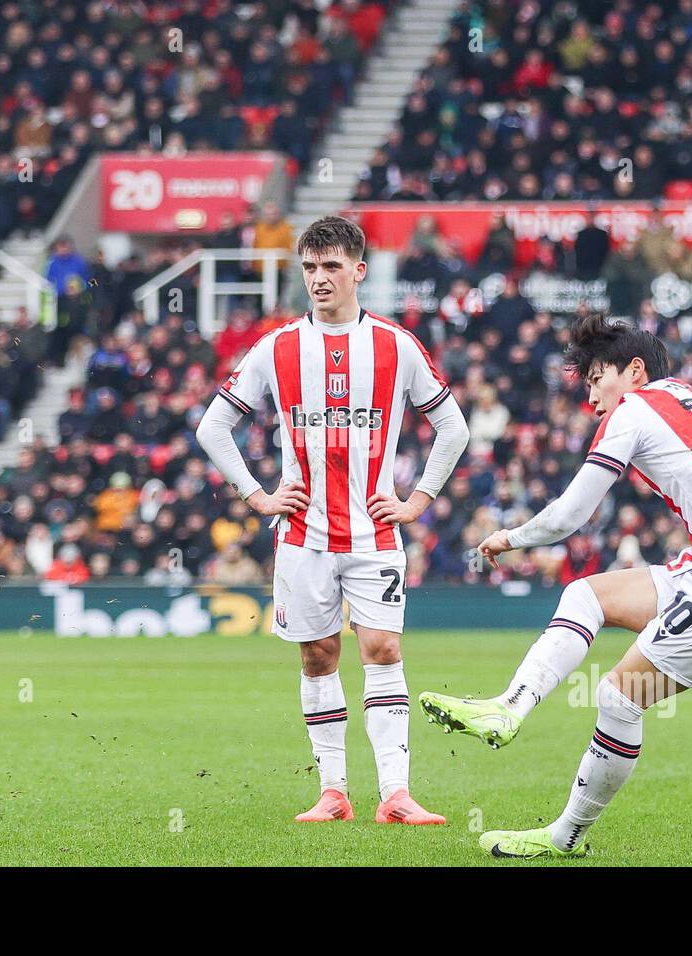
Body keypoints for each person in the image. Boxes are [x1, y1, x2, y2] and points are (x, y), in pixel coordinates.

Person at [418, 314, 692, 858]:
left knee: (619, 696)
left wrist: (511, 536)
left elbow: (572, 514)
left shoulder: (636, 408)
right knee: (586, 594)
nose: (591, 395)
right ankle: (510, 706)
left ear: (634, 371)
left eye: (597, 378)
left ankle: (565, 835)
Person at [196, 216, 469, 825]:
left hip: (375, 530)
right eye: (310, 268)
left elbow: (454, 426)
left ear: (358, 271)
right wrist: (257, 496)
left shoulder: (396, 346)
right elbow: (211, 427)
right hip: (302, 534)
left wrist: (419, 500)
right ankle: (334, 791)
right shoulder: (278, 347)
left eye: (332, 267)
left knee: (382, 647)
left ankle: (396, 794)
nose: (319, 279)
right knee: (319, 656)